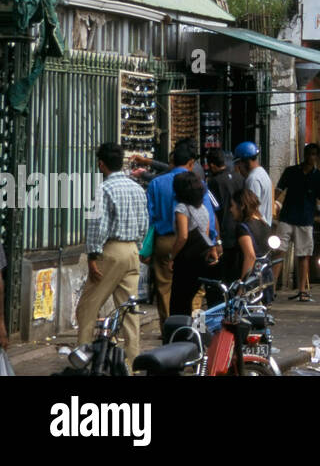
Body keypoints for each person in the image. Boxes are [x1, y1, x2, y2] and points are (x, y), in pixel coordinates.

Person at [77, 143, 149, 366]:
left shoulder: (104, 189)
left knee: (88, 307)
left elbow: (97, 226)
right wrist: (137, 246)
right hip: (132, 252)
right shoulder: (137, 188)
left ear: (101, 164)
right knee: (129, 310)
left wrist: (92, 255)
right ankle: (132, 362)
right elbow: (145, 223)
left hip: (111, 251)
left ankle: (83, 357)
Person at [145, 143, 212, 322]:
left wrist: (149, 247)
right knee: (197, 291)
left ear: (172, 161)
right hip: (197, 243)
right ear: (191, 163)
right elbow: (208, 220)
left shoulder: (157, 183)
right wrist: (212, 243)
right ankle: (198, 332)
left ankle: (171, 330)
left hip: (167, 241)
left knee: (166, 289)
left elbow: (150, 218)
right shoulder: (198, 184)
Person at [273, 143, 320, 299]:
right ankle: (271, 288)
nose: (311, 157)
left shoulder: (319, 177)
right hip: (287, 217)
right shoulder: (291, 172)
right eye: (309, 154)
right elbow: (278, 191)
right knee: (278, 253)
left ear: (317, 157)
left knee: (304, 256)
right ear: (304, 154)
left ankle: (302, 290)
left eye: (314, 154)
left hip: (305, 220)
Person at [166, 170, 220, 318]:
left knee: (179, 301)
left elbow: (183, 236)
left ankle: (181, 334)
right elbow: (207, 233)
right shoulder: (203, 209)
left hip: (186, 259)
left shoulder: (182, 208)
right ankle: (198, 332)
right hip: (201, 258)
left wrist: (172, 257)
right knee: (195, 300)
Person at [231, 188, 272, 280]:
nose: (231, 210)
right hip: (265, 279)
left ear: (242, 206)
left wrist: (242, 286)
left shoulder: (243, 228)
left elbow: (250, 256)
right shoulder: (265, 225)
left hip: (251, 281)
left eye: (232, 206)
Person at [234, 141, 273, 222]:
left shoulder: (253, 179)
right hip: (262, 226)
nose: (239, 167)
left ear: (245, 161)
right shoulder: (262, 172)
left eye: (239, 163)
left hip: (256, 227)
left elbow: (251, 208)